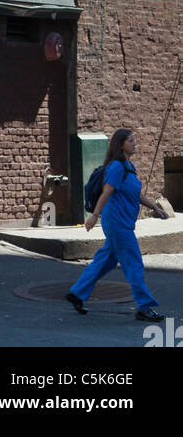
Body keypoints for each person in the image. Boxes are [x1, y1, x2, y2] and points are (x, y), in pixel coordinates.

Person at [66, 128, 167, 321]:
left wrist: (155, 206)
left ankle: (77, 293)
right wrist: (94, 216)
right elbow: (106, 192)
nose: (135, 143)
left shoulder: (129, 167)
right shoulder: (116, 167)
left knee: (106, 260)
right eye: (131, 140)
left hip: (123, 223)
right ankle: (144, 307)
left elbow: (136, 193)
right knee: (134, 263)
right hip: (117, 223)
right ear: (121, 144)